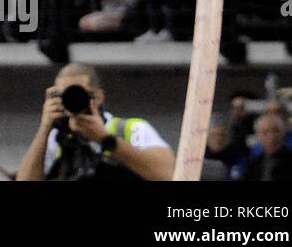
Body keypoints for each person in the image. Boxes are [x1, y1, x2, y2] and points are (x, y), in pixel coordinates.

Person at [16, 63, 175, 181]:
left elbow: (172, 175)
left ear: (98, 97)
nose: (73, 101)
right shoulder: (57, 140)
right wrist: (44, 129)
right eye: (65, 95)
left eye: (79, 94)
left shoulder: (131, 129)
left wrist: (106, 140)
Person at [239, 112, 292, 181]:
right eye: (265, 133)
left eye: (276, 131)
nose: (271, 137)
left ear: (284, 133)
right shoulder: (253, 164)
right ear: (258, 137)